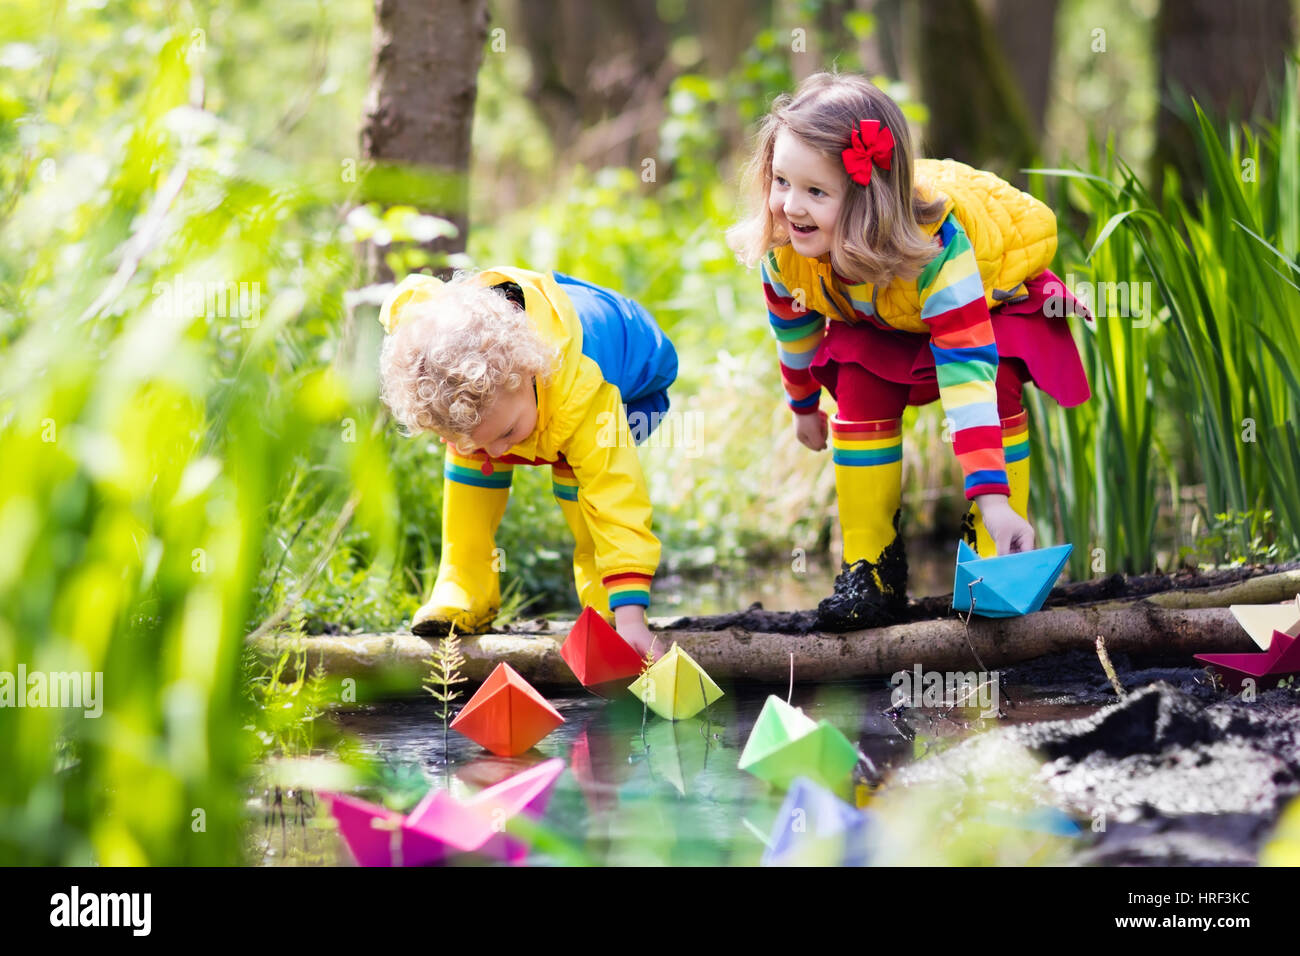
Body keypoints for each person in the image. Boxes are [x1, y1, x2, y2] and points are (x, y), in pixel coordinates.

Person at [728, 72, 1091, 631]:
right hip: (879, 312)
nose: (790, 206)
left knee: (993, 387)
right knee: (860, 384)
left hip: (982, 306)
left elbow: (966, 370)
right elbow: (795, 335)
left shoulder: (940, 254)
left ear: (865, 198)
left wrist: (992, 497)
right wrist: (803, 406)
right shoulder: (787, 253)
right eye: (781, 181)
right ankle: (870, 572)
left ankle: (993, 560)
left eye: (816, 191)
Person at [377, 267, 678, 658]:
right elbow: (491, 431)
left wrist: (631, 618)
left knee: (579, 469)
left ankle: (606, 600)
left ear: (530, 371)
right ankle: (465, 586)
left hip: (640, 385)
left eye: (506, 434)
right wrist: (484, 438)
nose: (501, 453)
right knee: (473, 450)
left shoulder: (585, 392)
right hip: (533, 396)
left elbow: (617, 499)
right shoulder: (484, 396)